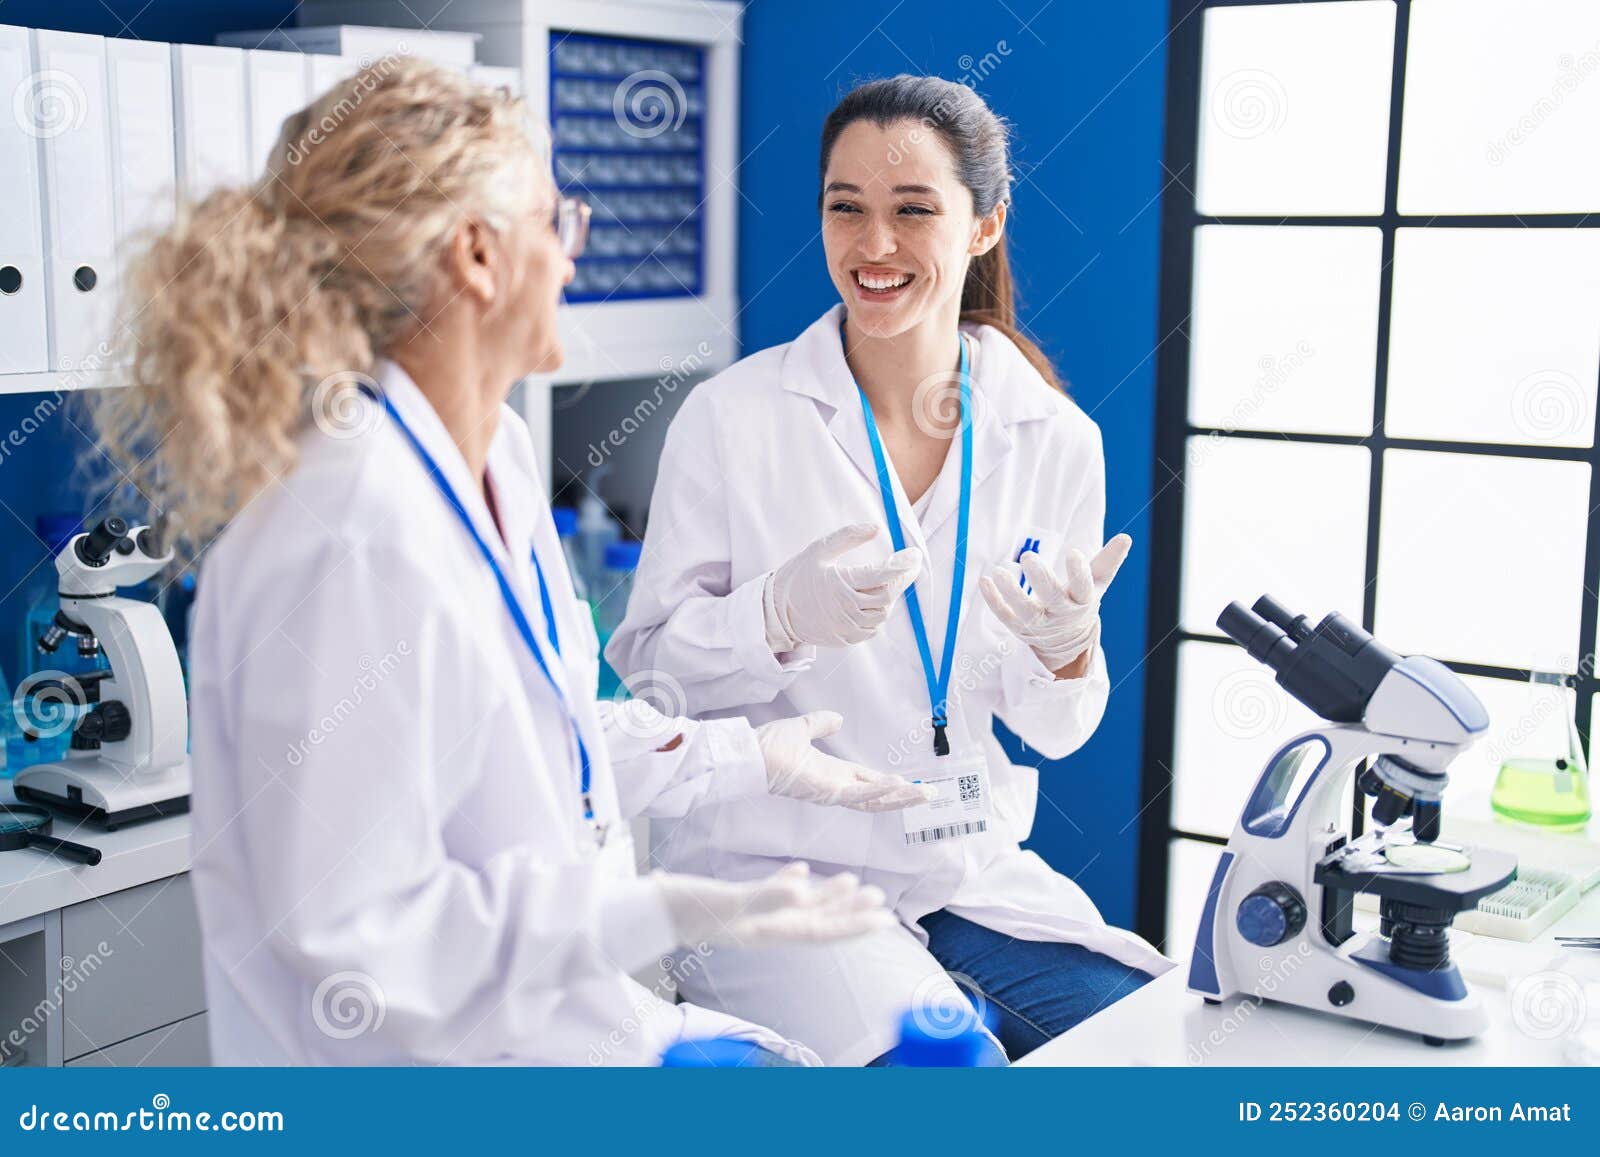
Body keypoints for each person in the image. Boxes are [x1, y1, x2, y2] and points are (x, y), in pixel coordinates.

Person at [87, 58, 927, 1066]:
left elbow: (536, 743)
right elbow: (359, 938)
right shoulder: (345, 528)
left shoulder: (498, 460)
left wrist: (745, 758)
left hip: (559, 1034)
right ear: (478, 256)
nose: (572, 257)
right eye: (553, 223)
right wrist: (644, 910)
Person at [607, 75, 1175, 1066]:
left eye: (913, 210)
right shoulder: (733, 418)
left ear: (986, 224)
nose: (874, 246)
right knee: (957, 1077)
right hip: (774, 866)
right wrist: (777, 616)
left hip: (965, 864)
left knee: (1152, 1049)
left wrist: (1066, 651)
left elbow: (1054, 725)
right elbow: (652, 672)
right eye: (846, 208)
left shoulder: (1054, 437)